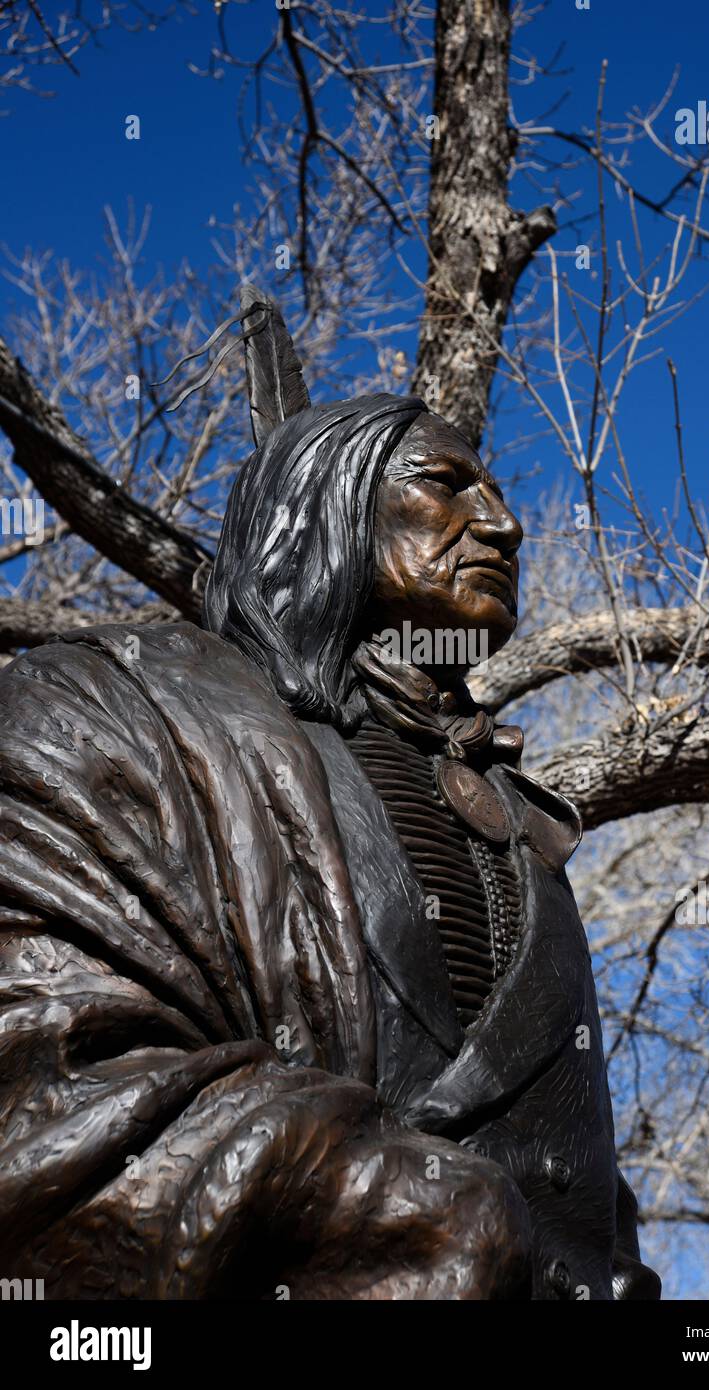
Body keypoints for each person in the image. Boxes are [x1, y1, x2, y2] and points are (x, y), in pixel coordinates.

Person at [0, 298, 660, 1300]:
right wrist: (411, 1219)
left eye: (497, 489)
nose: (506, 522)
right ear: (326, 502)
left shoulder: (530, 840)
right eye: (447, 484)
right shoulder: (110, 713)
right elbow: (40, 1097)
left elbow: (588, 1205)